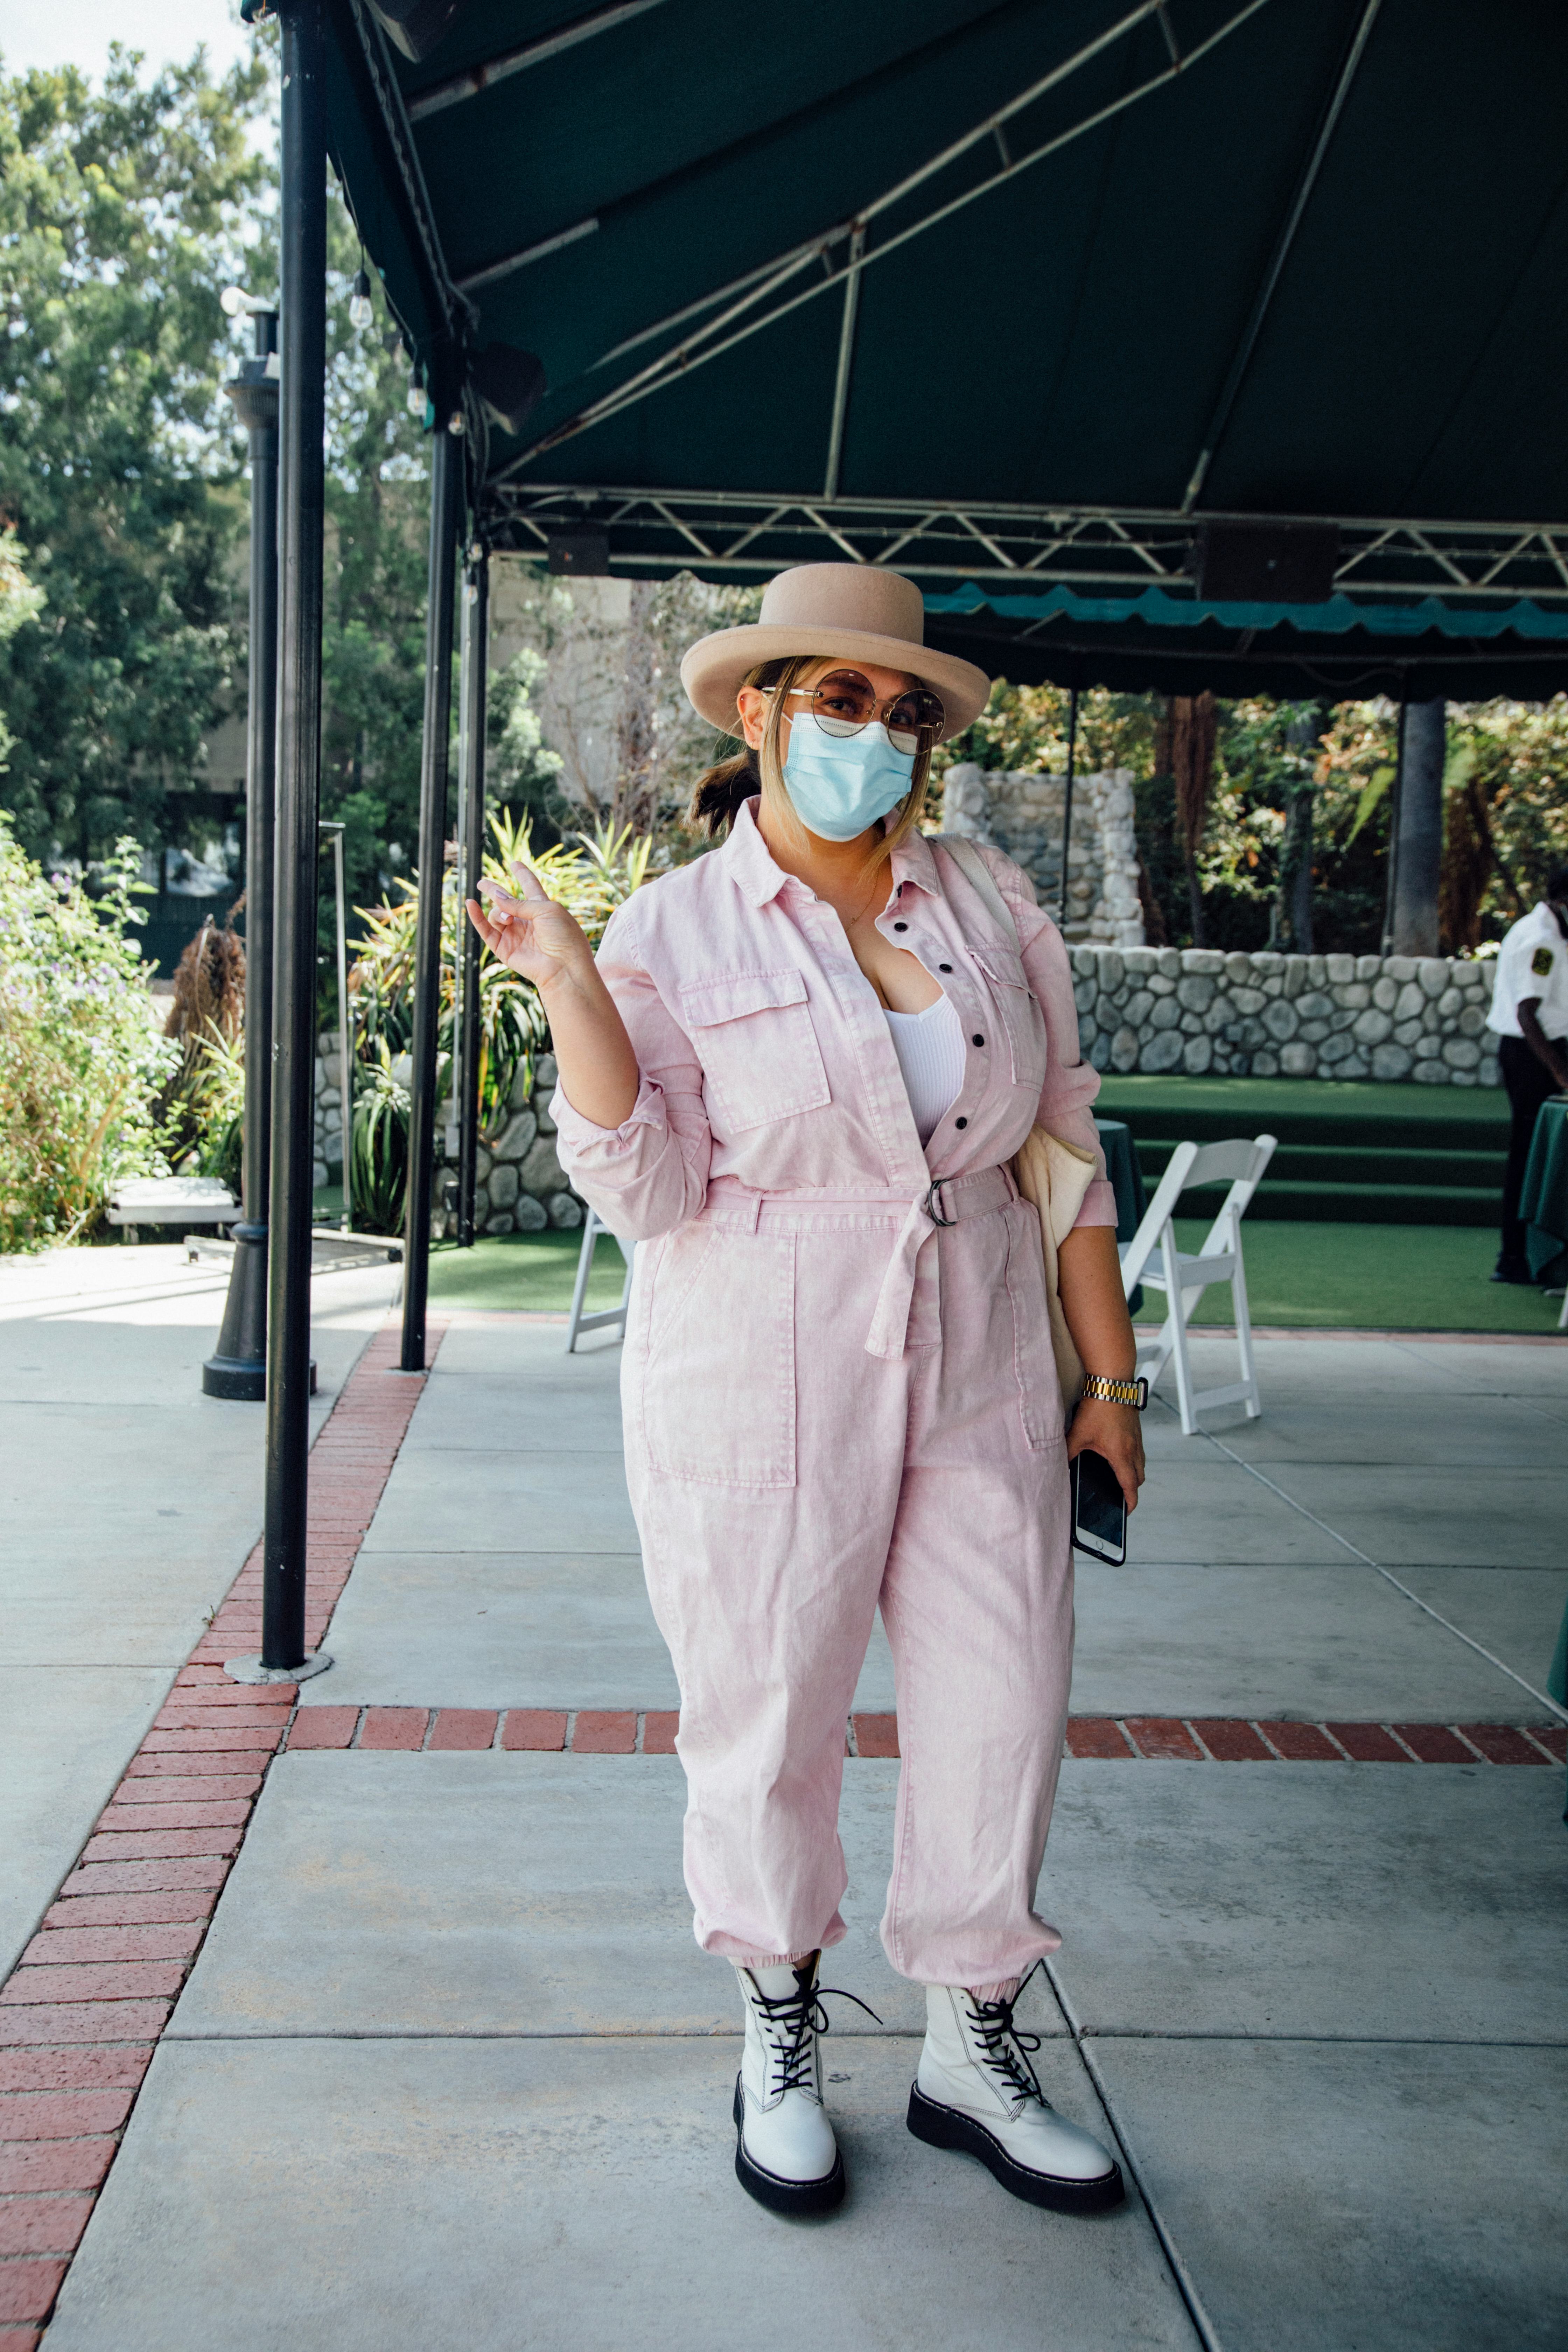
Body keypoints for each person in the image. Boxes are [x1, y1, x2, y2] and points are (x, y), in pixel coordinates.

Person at [467, 564, 1146, 2221]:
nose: (874, 733)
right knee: (767, 1708)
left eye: (902, 710)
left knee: (1004, 1702)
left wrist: (1112, 1377)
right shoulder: (675, 929)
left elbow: (1062, 1144)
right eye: (839, 699)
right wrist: (569, 985)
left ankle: (968, 2044)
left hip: (984, 1345)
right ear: (761, 712)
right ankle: (775, 2025)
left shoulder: (988, 902)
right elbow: (648, 1188)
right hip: (760, 1350)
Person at [1486, 865, 1568, 1283]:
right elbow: (1526, 1013)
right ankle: (1515, 1257)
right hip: (1533, 1055)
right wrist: (1560, 1072)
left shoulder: (1544, 931)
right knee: (1528, 1155)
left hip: (1539, 1051)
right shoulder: (1542, 941)